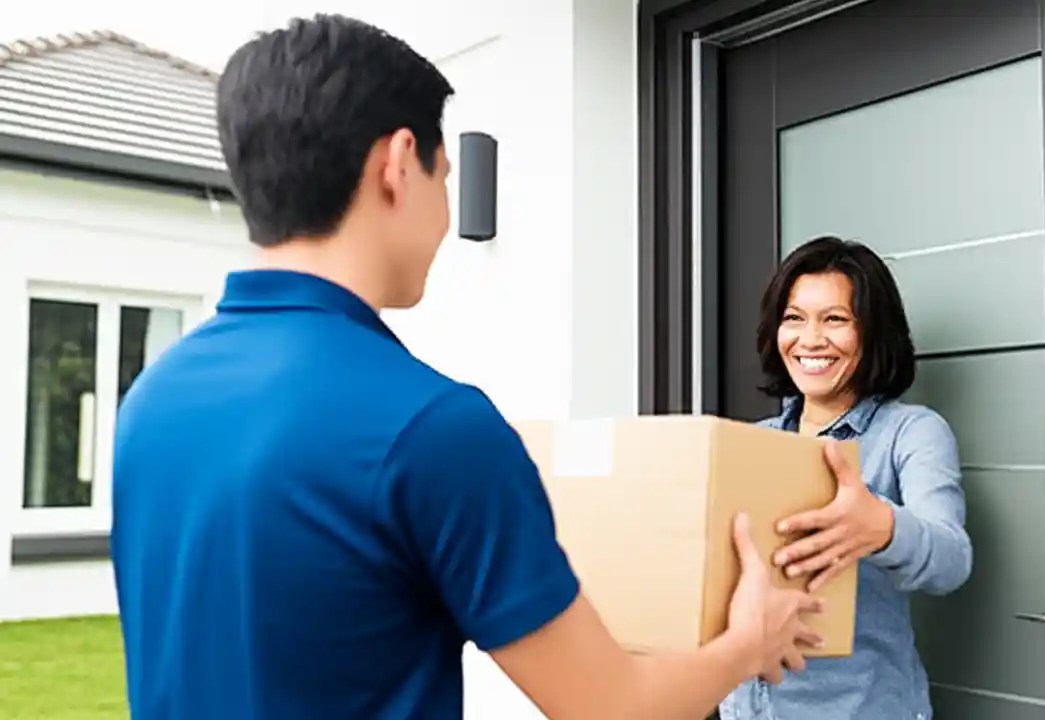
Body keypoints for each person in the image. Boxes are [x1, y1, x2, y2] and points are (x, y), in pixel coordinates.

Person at [109, 14, 823, 720]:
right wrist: (747, 643)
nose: (447, 213)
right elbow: (612, 708)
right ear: (397, 164)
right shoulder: (431, 428)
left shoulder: (151, 401)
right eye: (444, 176)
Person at [718, 236, 973, 720]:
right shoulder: (752, 442)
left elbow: (951, 558)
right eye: (794, 318)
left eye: (835, 319)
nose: (810, 339)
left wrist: (882, 527)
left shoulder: (910, 432)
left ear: (873, 332)